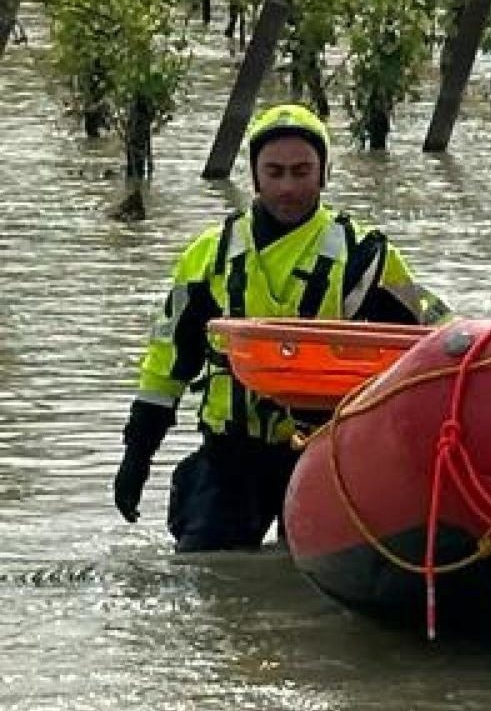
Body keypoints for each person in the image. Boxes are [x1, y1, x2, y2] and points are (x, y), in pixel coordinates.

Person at [114, 103, 449, 551]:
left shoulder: (365, 254)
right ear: (255, 177)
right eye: (274, 172)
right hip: (230, 453)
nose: (288, 187)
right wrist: (137, 455)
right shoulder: (208, 256)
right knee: (213, 576)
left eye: (301, 171)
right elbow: (167, 363)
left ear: (323, 174)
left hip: (324, 453)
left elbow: (435, 338)